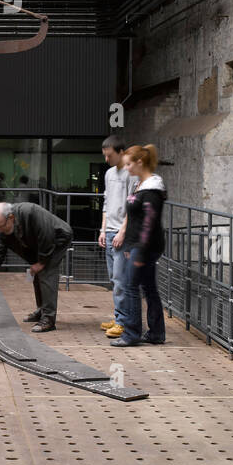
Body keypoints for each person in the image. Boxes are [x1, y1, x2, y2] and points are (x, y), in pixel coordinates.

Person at [0, 201, 73, 332]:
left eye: (1, 226)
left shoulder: (30, 212)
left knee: (46, 272)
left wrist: (41, 263)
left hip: (57, 238)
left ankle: (48, 319)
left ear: (11, 217)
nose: (0, 230)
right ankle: (41, 310)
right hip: (38, 244)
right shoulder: (3, 226)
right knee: (37, 273)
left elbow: (47, 235)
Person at [111, 144, 166, 347]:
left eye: (128, 164)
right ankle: (156, 333)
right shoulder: (141, 185)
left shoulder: (151, 190)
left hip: (145, 247)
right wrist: (130, 245)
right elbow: (136, 220)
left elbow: (149, 224)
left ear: (139, 162)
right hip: (139, 245)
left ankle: (131, 334)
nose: (126, 168)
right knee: (149, 287)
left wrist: (139, 251)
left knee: (130, 286)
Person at [97, 136, 132, 338]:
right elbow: (106, 202)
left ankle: (123, 322)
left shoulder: (130, 174)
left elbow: (131, 205)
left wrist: (123, 231)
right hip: (110, 231)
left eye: (109, 155)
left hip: (120, 233)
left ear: (121, 152)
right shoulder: (109, 173)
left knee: (120, 280)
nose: (106, 159)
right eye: (105, 155)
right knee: (114, 278)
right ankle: (120, 317)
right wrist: (103, 230)